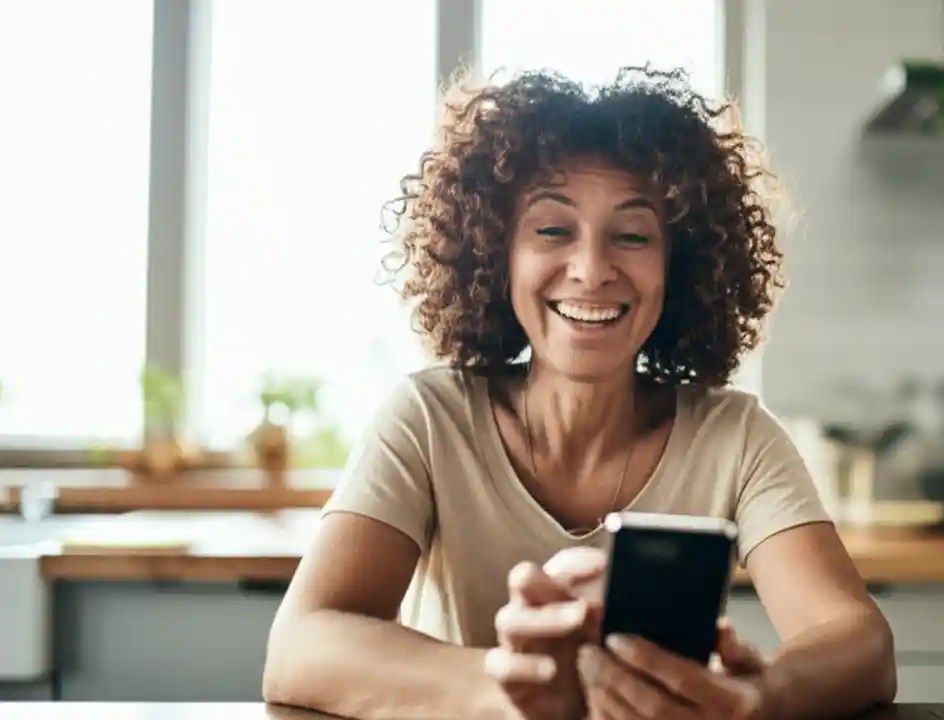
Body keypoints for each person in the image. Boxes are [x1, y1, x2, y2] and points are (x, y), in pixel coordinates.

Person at [262, 66, 896, 720]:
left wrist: (759, 697)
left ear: (676, 270)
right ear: (495, 254)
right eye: (552, 230)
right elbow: (299, 649)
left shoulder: (735, 437)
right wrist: (515, 689)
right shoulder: (428, 419)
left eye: (631, 235)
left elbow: (861, 643)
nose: (592, 270)